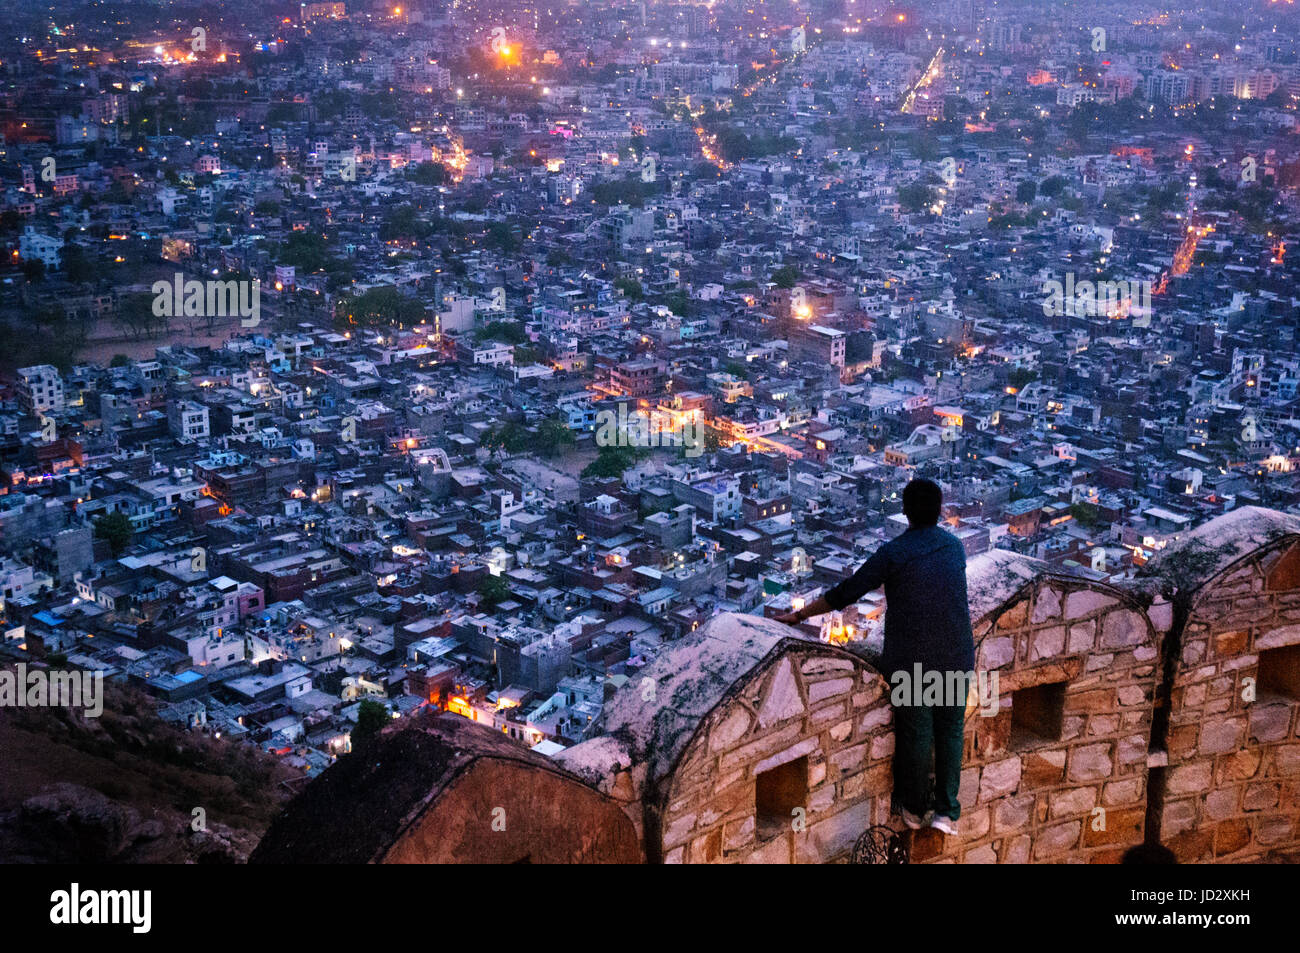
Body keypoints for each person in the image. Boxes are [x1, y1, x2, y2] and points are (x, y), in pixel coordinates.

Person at [775, 478, 974, 835]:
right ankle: (946, 812)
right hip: (956, 653)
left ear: (905, 511)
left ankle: (914, 810)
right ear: (939, 510)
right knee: (950, 732)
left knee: (917, 734)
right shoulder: (954, 548)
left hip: (913, 660)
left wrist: (801, 615)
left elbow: (847, 592)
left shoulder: (894, 553)